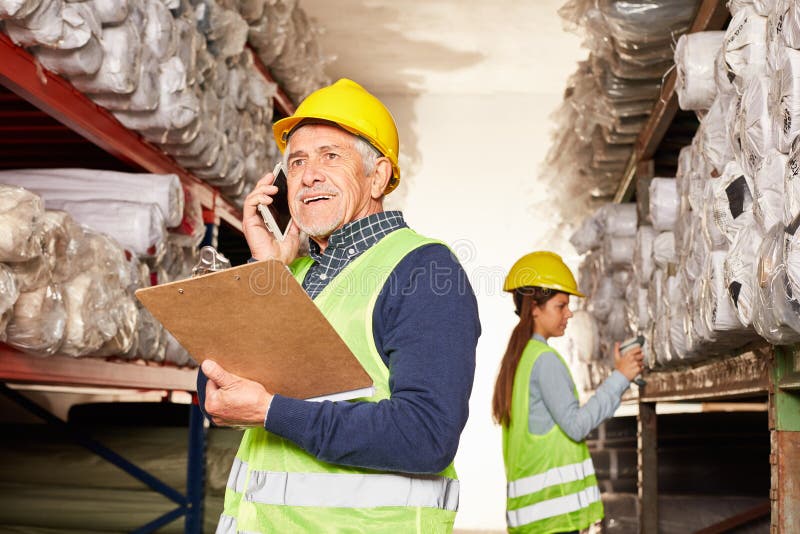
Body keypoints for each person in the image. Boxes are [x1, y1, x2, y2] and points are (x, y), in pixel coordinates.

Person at [197, 78, 480, 533]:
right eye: (298, 161)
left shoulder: (424, 271)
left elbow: (427, 435)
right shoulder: (294, 274)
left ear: (378, 177)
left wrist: (273, 411)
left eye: (332, 156)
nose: (308, 175)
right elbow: (217, 390)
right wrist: (264, 276)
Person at [491, 251, 644, 534]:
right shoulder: (543, 360)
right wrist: (620, 377)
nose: (569, 313)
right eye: (561, 306)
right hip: (555, 519)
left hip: (537, 519)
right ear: (534, 307)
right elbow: (576, 425)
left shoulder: (521, 358)